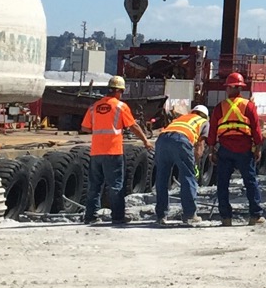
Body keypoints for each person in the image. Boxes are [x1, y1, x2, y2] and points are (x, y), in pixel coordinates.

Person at [81, 76, 150, 227]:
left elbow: (85, 127)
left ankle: (90, 216)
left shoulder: (94, 107)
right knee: (115, 186)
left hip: (96, 152)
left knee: (94, 186)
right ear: (119, 91)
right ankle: (117, 217)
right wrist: (145, 140)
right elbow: (133, 126)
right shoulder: (120, 107)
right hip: (113, 151)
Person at [210, 71, 265, 226]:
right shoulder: (249, 106)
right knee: (250, 182)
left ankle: (226, 218)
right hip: (244, 149)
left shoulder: (220, 107)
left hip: (225, 149)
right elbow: (256, 130)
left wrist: (211, 150)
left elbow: (213, 130)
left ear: (228, 88)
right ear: (241, 89)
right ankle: (255, 216)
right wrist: (258, 148)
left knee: (222, 184)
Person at [152, 102, 207, 226]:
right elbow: (200, 146)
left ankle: (161, 215)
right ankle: (190, 214)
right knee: (187, 177)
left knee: (161, 178)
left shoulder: (182, 118)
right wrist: (195, 163)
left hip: (162, 140)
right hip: (181, 141)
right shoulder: (203, 121)